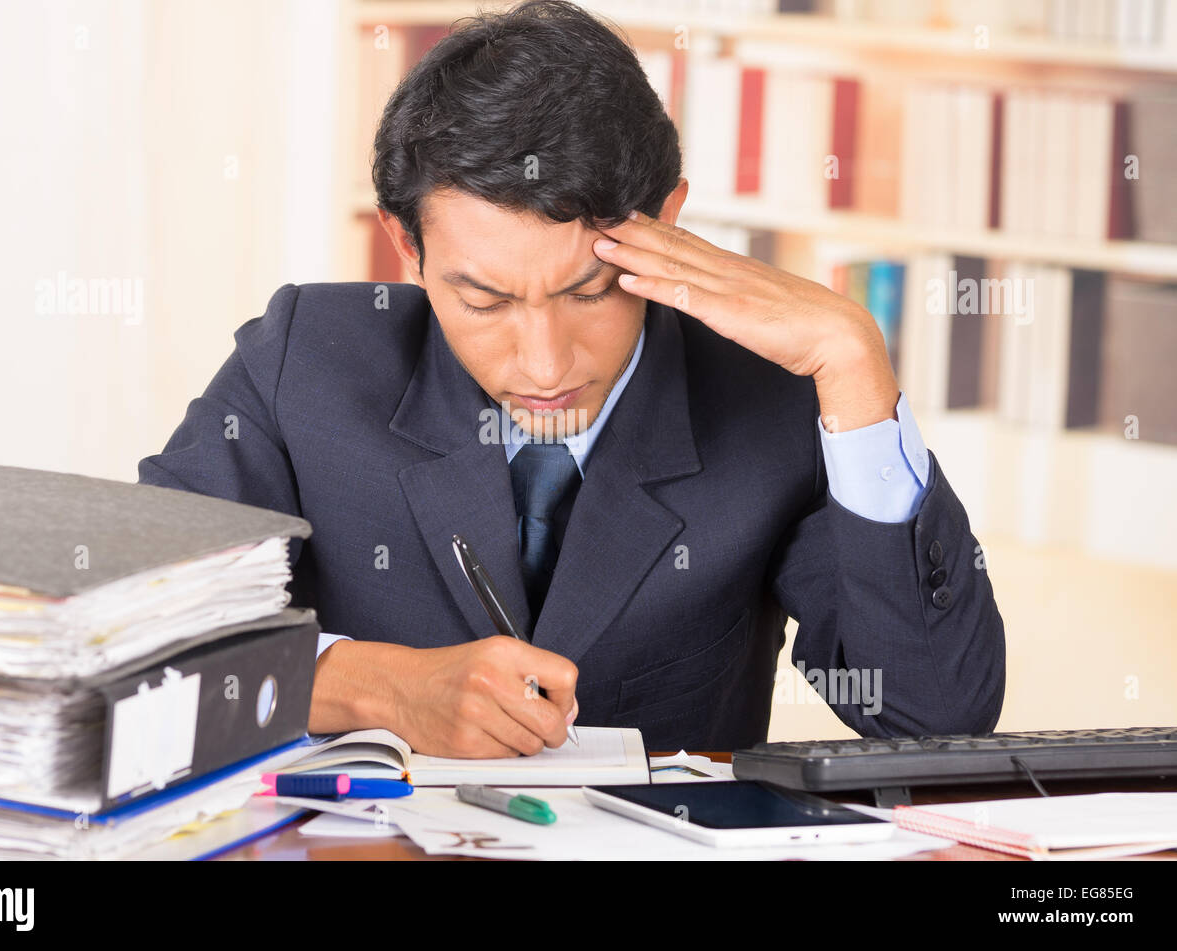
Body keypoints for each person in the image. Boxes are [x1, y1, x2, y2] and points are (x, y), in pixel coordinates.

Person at [138, 0, 1004, 757]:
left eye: (590, 289)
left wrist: (854, 360)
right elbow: (135, 641)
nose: (545, 365)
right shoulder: (308, 359)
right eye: (483, 299)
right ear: (409, 248)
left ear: (668, 221)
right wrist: (369, 684)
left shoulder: (774, 398)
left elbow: (933, 718)